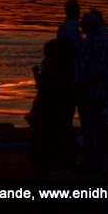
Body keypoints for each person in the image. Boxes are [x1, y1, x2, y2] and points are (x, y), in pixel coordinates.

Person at [77, 11, 108, 170]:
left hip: (92, 89)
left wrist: (82, 83)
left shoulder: (95, 40)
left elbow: (97, 67)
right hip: (103, 87)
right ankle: (98, 156)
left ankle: (92, 159)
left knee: (90, 124)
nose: (81, 27)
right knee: (100, 123)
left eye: (84, 24)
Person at [28, 38, 76, 168]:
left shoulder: (54, 66)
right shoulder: (67, 64)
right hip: (59, 100)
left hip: (49, 100)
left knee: (46, 128)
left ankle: (46, 157)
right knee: (60, 127)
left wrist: (36, 74)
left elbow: (43, 83)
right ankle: (58, 156)